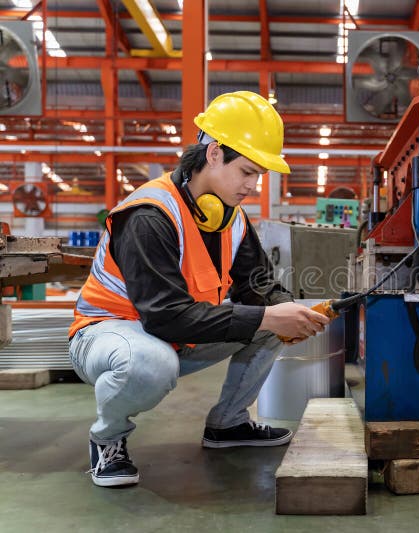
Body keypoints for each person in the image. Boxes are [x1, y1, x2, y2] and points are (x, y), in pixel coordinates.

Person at [68, 91, 330, 488]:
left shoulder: (232, 220)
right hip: (107, 334)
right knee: (151, 364)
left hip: (171, 336)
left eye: (258, 174)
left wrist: (290, 312)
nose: (253, 185)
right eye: (246, 171)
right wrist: (268, 315)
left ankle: (228, 425)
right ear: (212, 155)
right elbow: (166, 316)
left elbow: (257, 285)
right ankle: (108, 439)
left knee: (277, 320)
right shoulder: (149, 215)